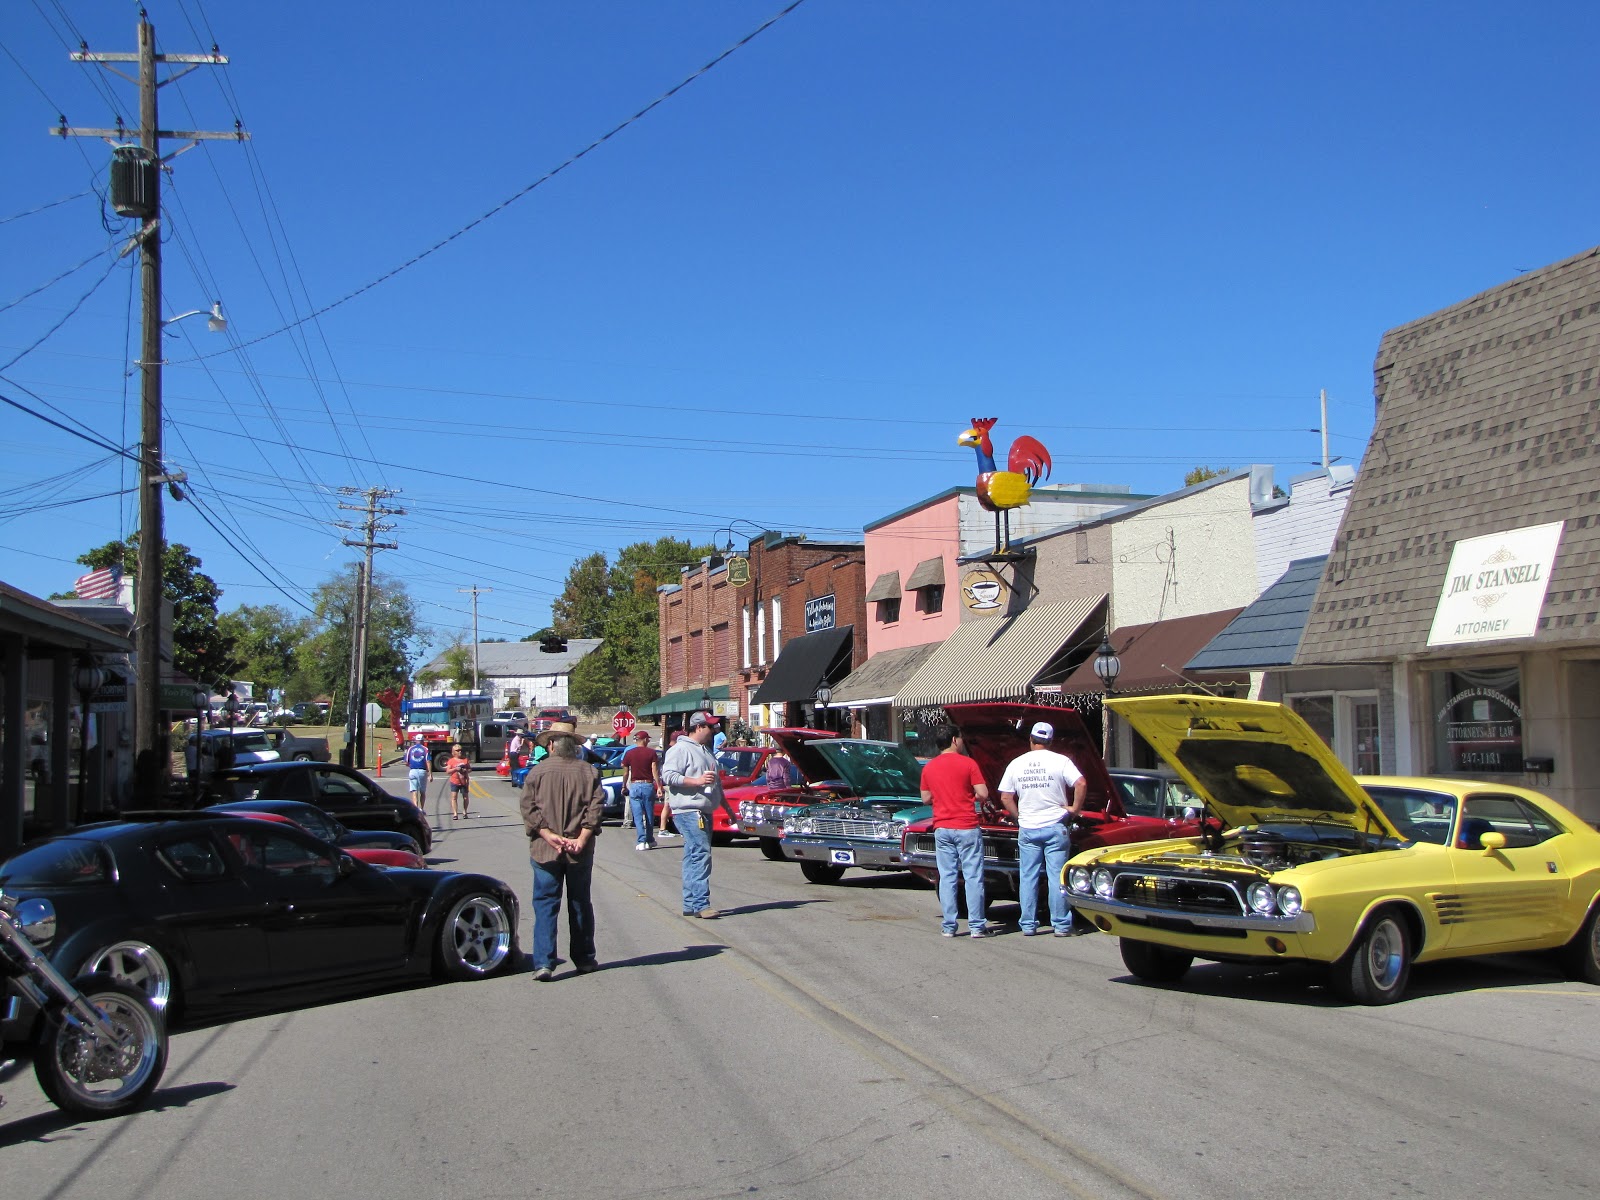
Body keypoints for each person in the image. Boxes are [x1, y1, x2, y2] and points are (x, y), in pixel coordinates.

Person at [519, 720, 604, 981]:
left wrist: (547, 834)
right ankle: (585, 959)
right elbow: (596, 808)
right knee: (579, 903)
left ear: (552, 745)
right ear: (573, 746)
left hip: (545, 849)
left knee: (545, 905)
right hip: (579, 849)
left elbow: (528, 808)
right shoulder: (588, 772)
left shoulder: (536, 772)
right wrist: (582, 836)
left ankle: (543, 963)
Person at [997, 720, 1088, 936]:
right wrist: (1074, 809)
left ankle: (1028, 924)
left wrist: (1019, 816)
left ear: (1030, 740)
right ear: (1050, 741)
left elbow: (1005, 796)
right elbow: (1081, 783)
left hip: (1028, 826)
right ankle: (1061, 925)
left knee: (1028, 876)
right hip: (1055, 824)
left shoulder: (1017, 763)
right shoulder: (1061, 761)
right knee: (1057, 876)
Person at [660, 710, 740, 919]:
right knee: (701, 854)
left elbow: (716, 785)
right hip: (689, 810)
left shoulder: (706, 751)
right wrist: (696, 781)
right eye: (709, 726)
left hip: (703, 810)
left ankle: (690, 903)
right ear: (698, 727)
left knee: (692, 855)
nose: (714, 730)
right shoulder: (680, 749)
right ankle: (701, 904)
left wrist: (728, 809)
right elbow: (668, 776)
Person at [920, 725, 993, 938]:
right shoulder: (969, 763)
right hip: (966, 825)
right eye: (960, 738)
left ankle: (949, 925)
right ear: (954, 740)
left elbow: (925, 798)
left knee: (947, 876)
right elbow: (983, 793)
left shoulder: (929, 768)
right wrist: (969, 795)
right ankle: (977, 926)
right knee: (973, 877)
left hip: (942, 826)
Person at [621, 729, 661, 851]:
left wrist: (624, 786)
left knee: (637, 815)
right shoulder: (651, 753)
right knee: (649, 814)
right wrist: (659, 786)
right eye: (647, 739)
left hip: (635, 785)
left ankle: (641, 840)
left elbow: (626, 772)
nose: (649, 740)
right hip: (648, 785)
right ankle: (649, 839)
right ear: (644, 740)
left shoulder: (629, 753)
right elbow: (654, 770)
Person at [404, 734, 431, 809]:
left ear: (416, 740)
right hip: (422, 771)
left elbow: (406, 762)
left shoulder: (410, 749)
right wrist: (430, 774)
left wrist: (410, 765)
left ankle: (416, 808)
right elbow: (428, 761)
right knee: (422, 792)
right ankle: (421, 809)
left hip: (413, 771)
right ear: (422, 741)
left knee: (414, 790)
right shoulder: (425, 749)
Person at [446, 743, 473, 820]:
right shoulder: (451, 761)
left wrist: (466, 770)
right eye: (457, 751)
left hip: (464, 781)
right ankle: (455, 813)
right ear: (453, 752)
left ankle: (465, 811)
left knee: (465, 797)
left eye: (460, 750)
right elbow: (448, 771)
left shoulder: (465, 760)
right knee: (454, 797)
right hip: (454, 781)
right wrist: (455, 769)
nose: (459, 752)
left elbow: (470, 769)